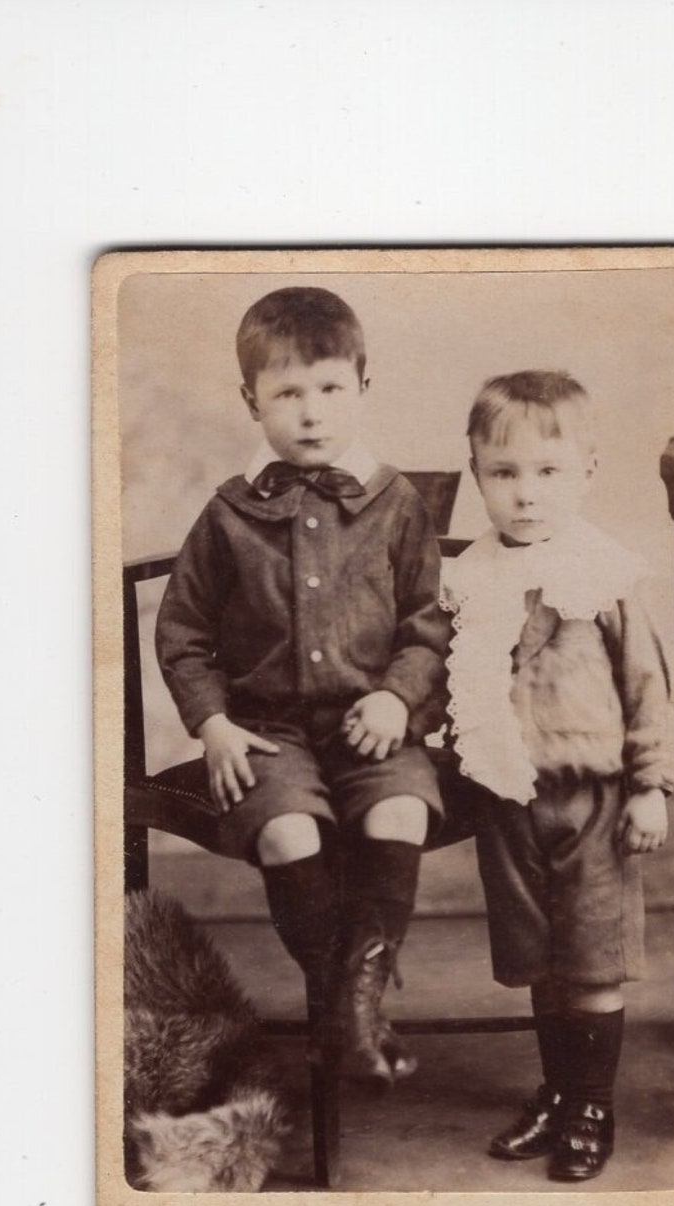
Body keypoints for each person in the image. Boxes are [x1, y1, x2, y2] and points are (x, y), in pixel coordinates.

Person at [155, 286, 448, 1085]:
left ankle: (347, 1013)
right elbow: (183, 634)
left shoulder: (395, 504)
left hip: (372, 725)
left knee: (399, 810)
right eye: (288, 393)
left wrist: (397, 696)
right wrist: (213, 724)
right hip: (267, 730)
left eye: (330, 388)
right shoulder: (228, 514)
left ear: (363, 386)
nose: (312, 412)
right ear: (251, 401)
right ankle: (351, 1015)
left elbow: (428, 622)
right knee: (289, 833)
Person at [441, 371, 674, 1181]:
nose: (526, 493)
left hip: (592, 800)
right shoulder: (471, 575)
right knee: (541, 960)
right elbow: (452, 676)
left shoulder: (601, 573)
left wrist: (650, 786)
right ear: (477, 473)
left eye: (549, 471)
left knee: (592, 958)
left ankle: (593, 1104)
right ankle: (557, 1091)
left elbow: (649, 688)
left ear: (586, 472)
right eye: (504, 472)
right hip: (508, 797)